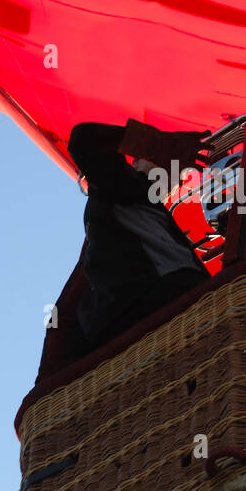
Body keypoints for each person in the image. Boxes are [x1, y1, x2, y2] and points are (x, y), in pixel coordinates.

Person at [34, 120, 212, 383]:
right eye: (155, 164)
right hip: (147, 305)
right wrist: (161, 144)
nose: (173, 178)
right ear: (137, 165)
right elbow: (83, 139)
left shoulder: (149, 217)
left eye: (177, 175)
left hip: (146, 322)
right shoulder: (118, 187)